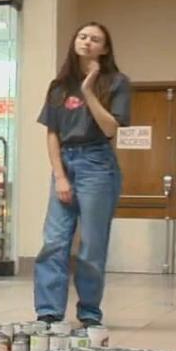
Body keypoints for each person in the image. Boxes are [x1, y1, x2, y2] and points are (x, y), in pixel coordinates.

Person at [33, 22, 131, 327]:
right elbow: (52, 134)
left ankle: (89, 311)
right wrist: (59, 176)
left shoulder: (116, 82)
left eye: (96, 39)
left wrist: (89, 90)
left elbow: (111, 128)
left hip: (97, 164)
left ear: (105, 48)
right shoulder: (59, 86)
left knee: (91, 243)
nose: (87, 42)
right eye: (83, 36)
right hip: (65, 162)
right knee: (54, 240)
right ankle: (48, 311)